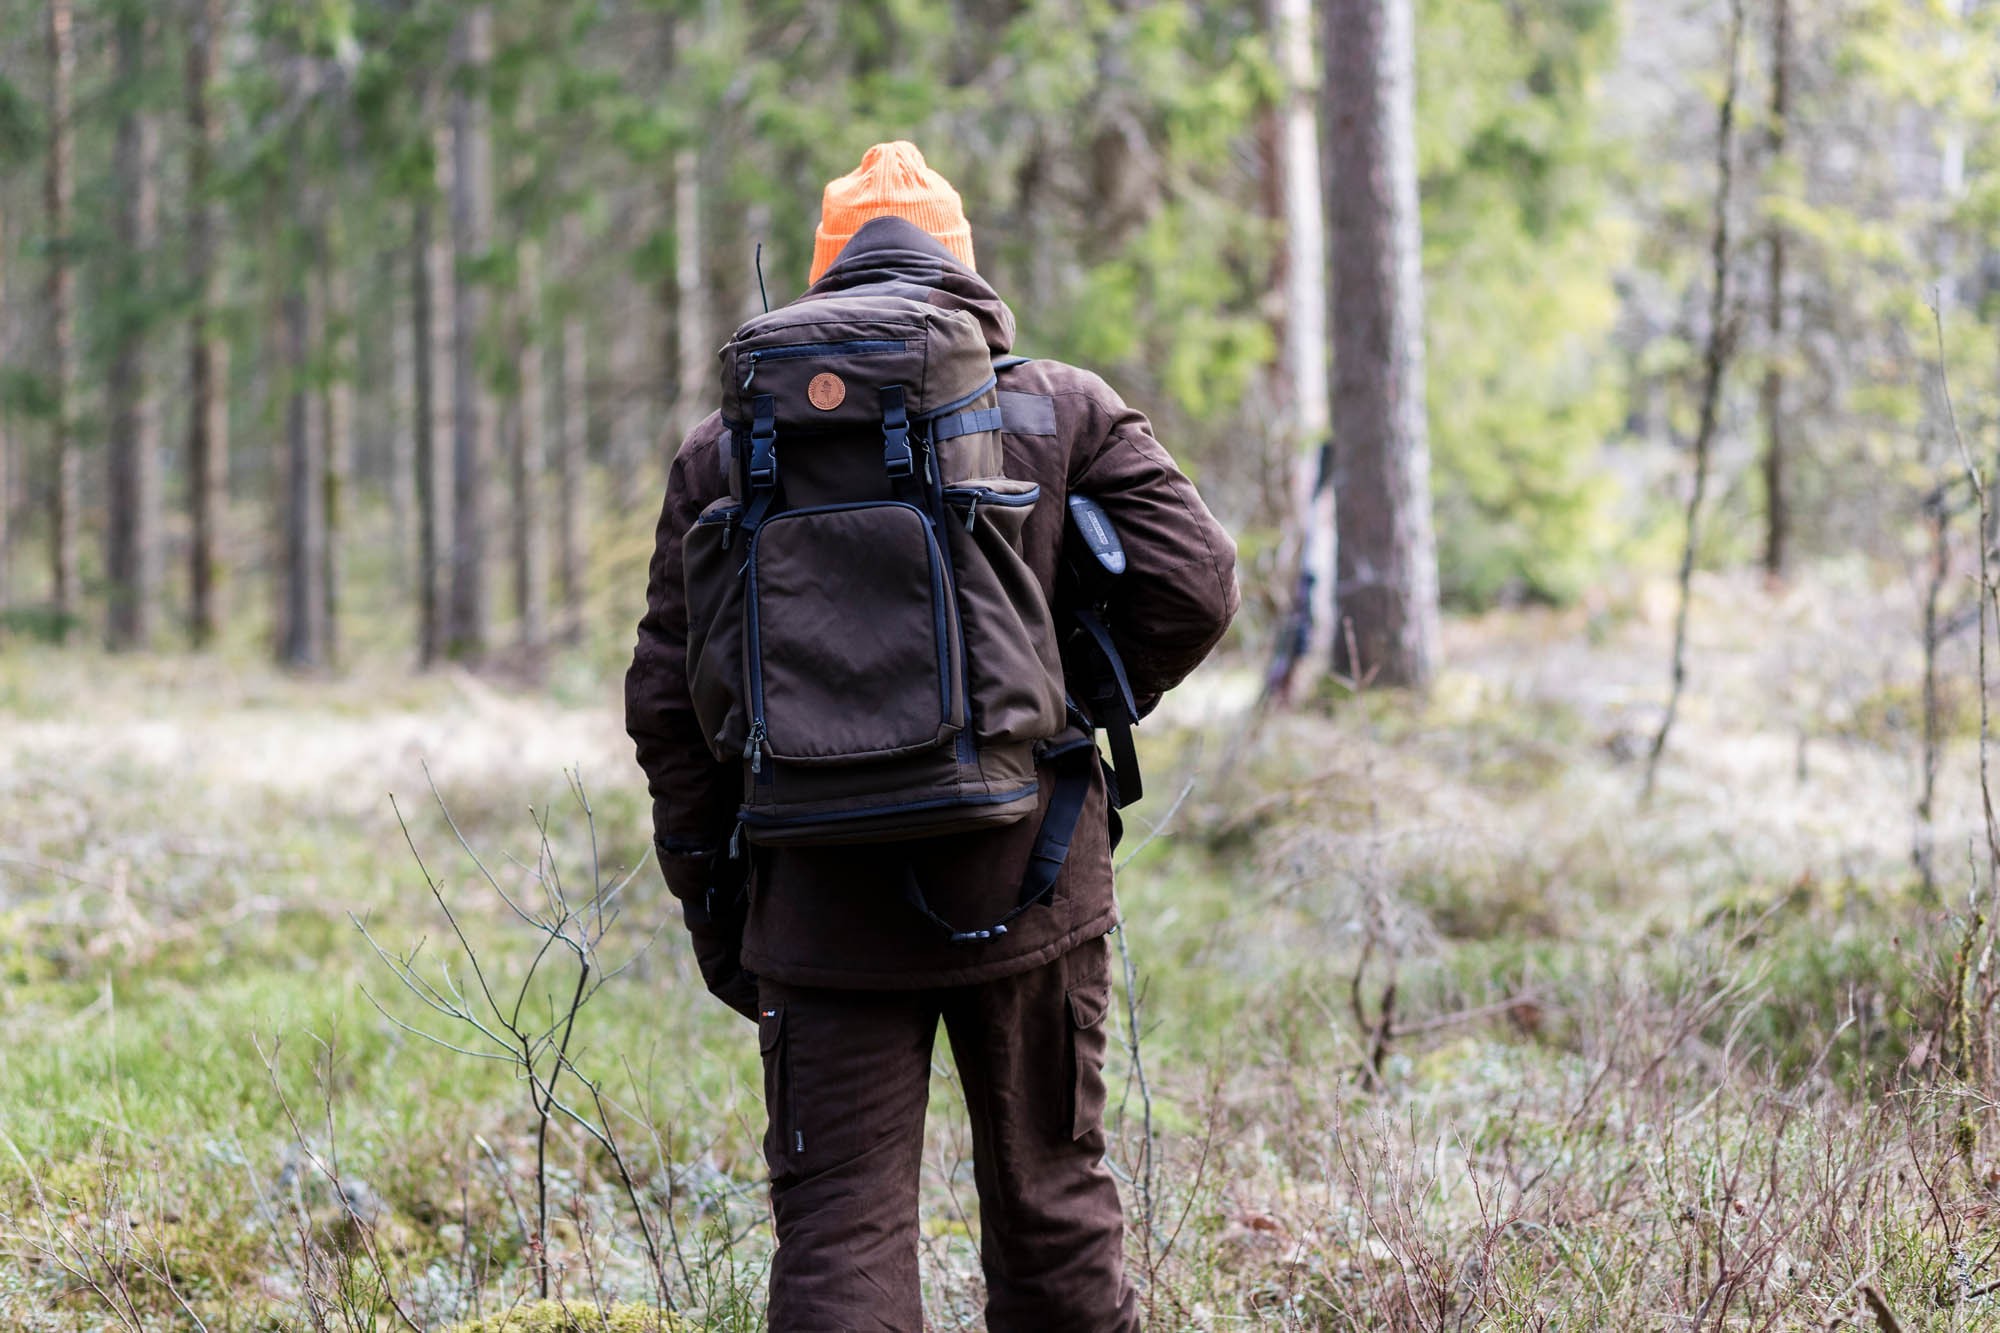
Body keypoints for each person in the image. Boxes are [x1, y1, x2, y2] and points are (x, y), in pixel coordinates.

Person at [626, 140, 1237, 1332]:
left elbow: (666, 704)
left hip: (816, 903)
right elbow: (1196, 582)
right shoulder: (1058, 406)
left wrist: (716, 905)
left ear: (826, 274)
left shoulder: (723, 448)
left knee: (837, 1237)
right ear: (958, 264)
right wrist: (1054, 708)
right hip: (1029, 874)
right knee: (1053, 1207)